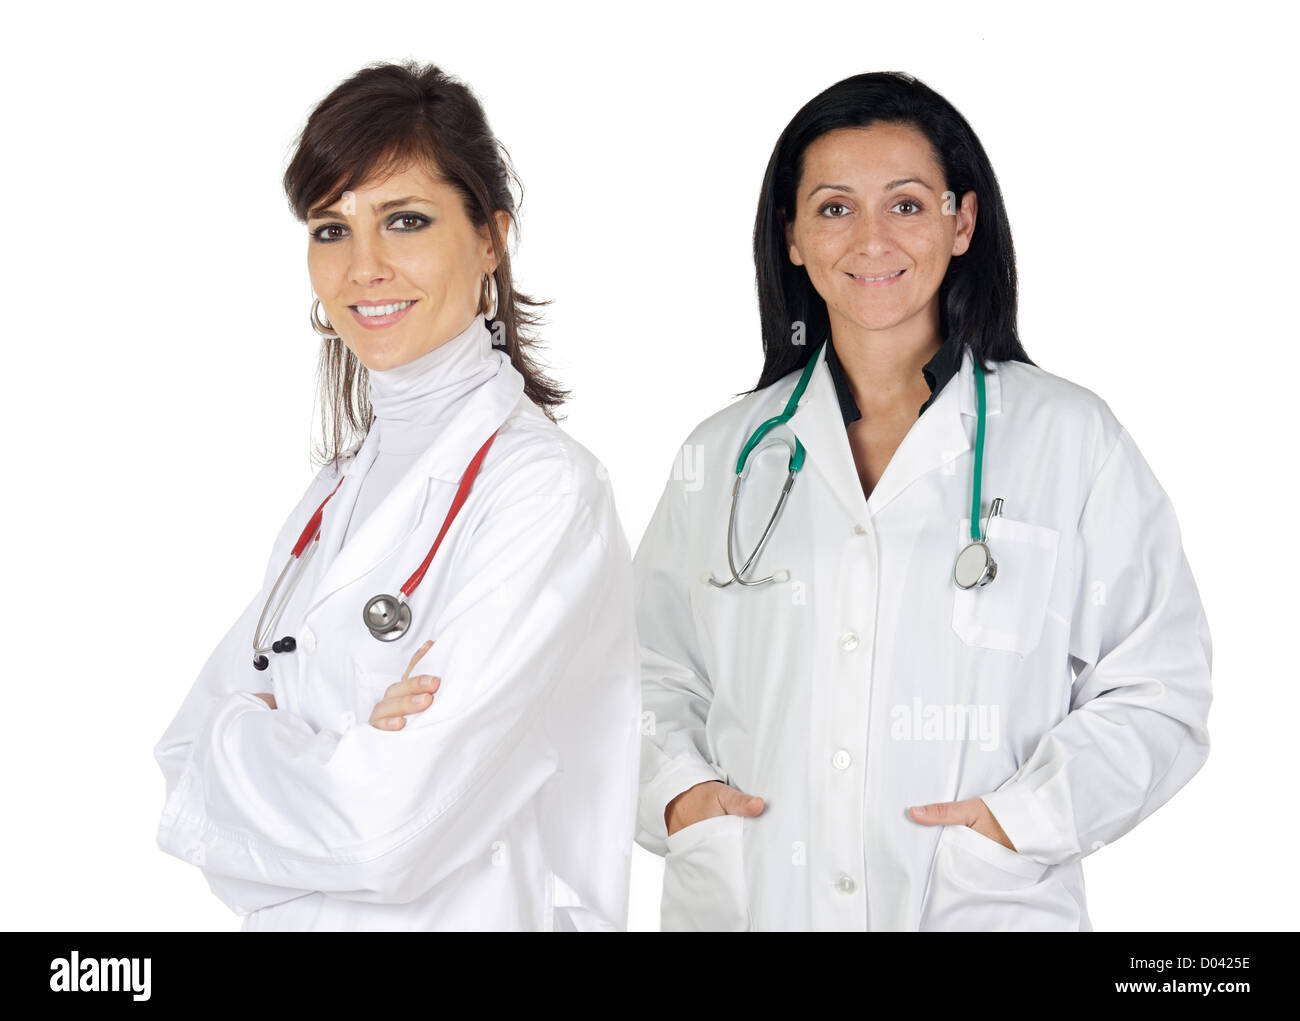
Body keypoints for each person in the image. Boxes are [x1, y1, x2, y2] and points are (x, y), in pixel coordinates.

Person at [633, 71, 1212, 931]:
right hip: (756, 902)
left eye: (906, 204)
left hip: (979, 906)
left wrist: (1022, 822)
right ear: (791, 236)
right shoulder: (725, 456)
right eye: (833, 208)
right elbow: (640, 675)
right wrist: (681, 797)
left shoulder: (1068, 437)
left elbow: (1160, 688)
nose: (871, 237)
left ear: (962, 221)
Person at [153, 60, 640, 931]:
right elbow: (182, 756)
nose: (362, 267)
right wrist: (336, 749)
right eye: (330, 229)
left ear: (490, 237)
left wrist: (255, 739)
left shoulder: (544, 491)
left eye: (404, 221)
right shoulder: (332, 495)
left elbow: (384, 834)